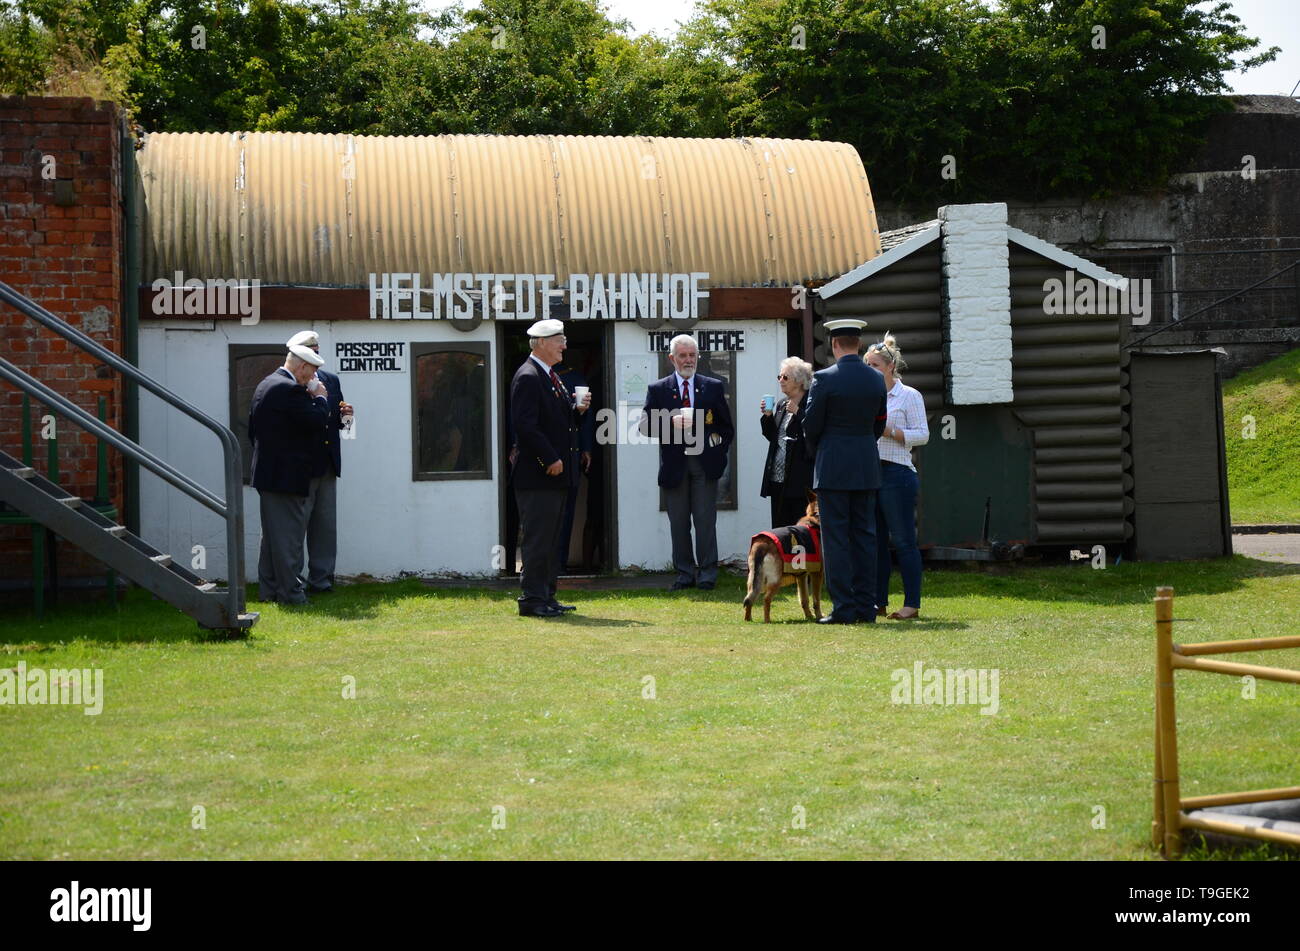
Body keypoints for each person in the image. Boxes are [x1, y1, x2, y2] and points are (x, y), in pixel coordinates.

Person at [801, 318, 888, 624]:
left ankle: (844, 608)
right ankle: (866, 607)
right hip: (865, 464)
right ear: (859, 344)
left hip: (833, 466)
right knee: (866, 537)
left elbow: (810, 425)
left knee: (836, 539)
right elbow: (879, 422)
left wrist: (823, 449)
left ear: (834, 344)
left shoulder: (825, 379)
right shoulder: (876, 379)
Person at [639, 334, 735, 591]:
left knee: (705, 522)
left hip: (704, 465)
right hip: (674, 466)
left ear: (698, 357)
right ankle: (684, 574)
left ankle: (707, 575)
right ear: (672, 359)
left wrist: (717, 452)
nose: (688, 360)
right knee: (678, 524)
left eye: (692, 355)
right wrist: (669, 421)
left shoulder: (712, 386)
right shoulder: (658, 389)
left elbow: (727, 429)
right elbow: (645, 426)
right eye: (682, 355)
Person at [510, 319, 591, 618]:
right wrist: (549, 459)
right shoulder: (529, 376)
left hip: (555, 477)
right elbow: (525, 427)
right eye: (560, 340)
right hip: (539, 477)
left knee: (552, 539)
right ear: (542, 342)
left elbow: (558, 424)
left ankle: (547, 597)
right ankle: (532, 600)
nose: (565, 346)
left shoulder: (549, 375)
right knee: (537, 540)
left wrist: (578, 411)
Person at [248, 345, 332, 605]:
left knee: (272, 540)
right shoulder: (289, 389)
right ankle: (291, 594)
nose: (313, 378)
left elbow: (253, 431)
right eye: (312, 371)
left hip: (269, 475)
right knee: (289, 541)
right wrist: (320, 398)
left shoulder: (266, 384)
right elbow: (316, 421)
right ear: (302, 367)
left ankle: (270, 591)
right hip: (286, 478)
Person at [866, 334, 929, 620]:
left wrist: (890, 431)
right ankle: (877, 602)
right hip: (870, 473)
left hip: (897, 473)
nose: (871, 370)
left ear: (891, 367)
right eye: (867, 365)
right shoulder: (866, 395)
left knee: (903, 541)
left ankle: (911, 604)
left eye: (875, 365)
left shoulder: (909, 396)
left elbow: (923, 436)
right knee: (876, 541)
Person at [286, 330, 354, 594]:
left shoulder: (330, 380)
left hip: (326, 464)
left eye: (316, 352)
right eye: (309, 353)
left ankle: (322, 582)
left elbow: (342, 426)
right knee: (295, 528)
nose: (314, 357)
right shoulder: (289, 382)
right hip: (300, 466)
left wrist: (348, 417)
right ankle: (293, 582)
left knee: (324, 528)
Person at [759, 356, 815, 528]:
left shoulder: (811, 403)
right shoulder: (782, 404)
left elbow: (814, 433)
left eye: (785, 377)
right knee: (779, 527)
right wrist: (767, 417)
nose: (780, 381)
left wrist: (799, 412)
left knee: (799, 529)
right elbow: (773, 437)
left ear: (799, 381)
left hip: (800, 480)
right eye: (779, 377)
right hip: (778, 478)